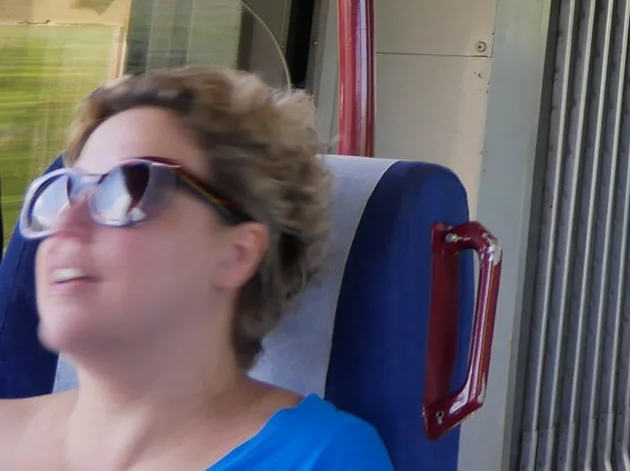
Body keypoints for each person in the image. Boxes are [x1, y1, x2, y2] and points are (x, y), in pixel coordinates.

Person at [0, 66, 392, 470]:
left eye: (128, 189)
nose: (65, 223)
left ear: (236, 252)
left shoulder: (323, 459)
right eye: (64, 192)